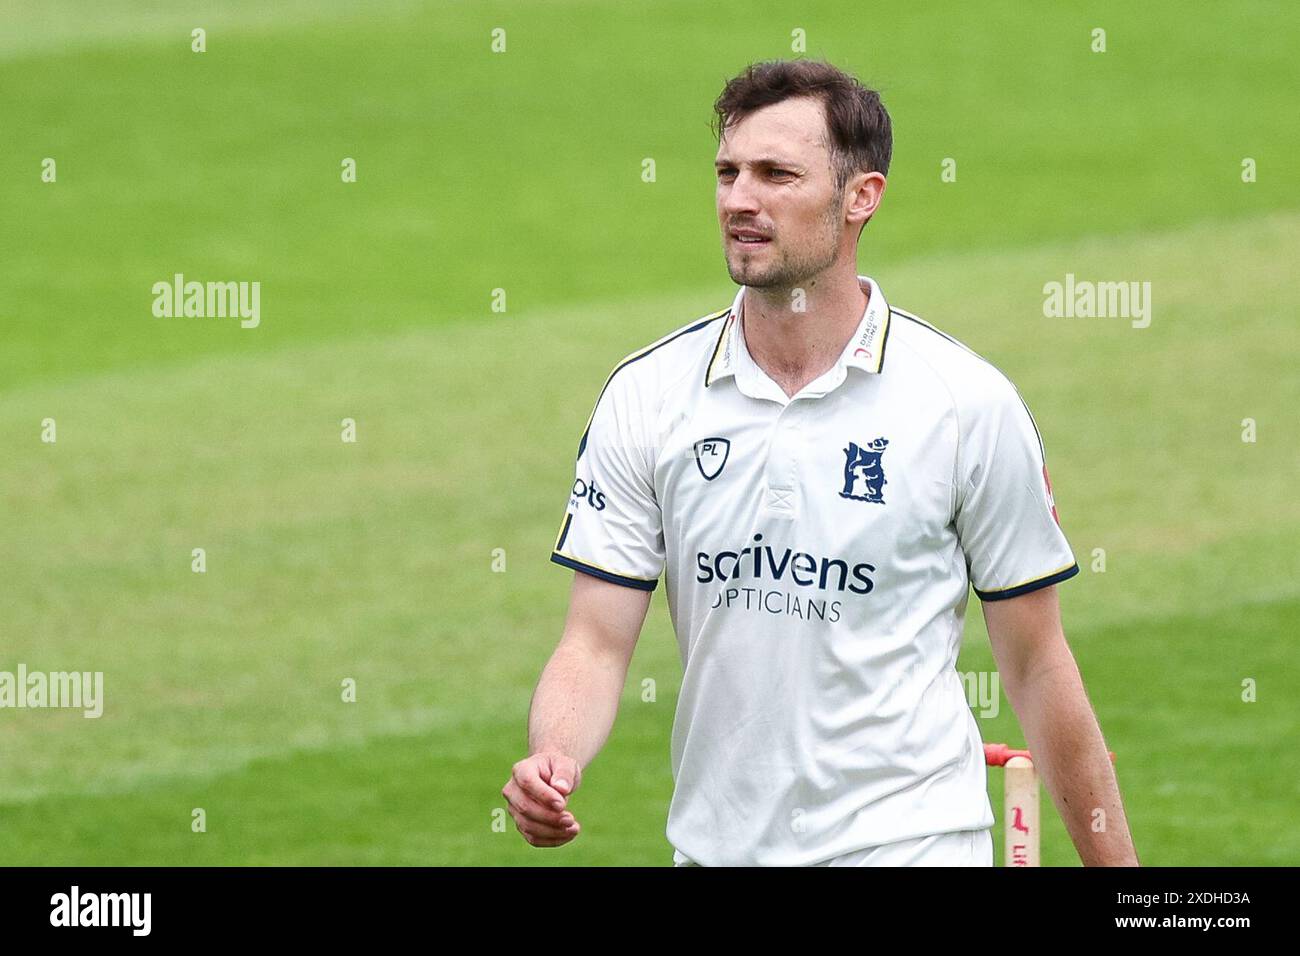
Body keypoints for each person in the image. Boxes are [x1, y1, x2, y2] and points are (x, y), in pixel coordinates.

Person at [503, 59, 1138, 866]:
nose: (739, 199)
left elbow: (1036, 661)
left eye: (776, 174)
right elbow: (593, 642)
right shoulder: (648, 395)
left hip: (912, 844)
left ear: (860, 197)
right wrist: (555, 753)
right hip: (715, 849)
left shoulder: (963, 403)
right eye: (728, 173)